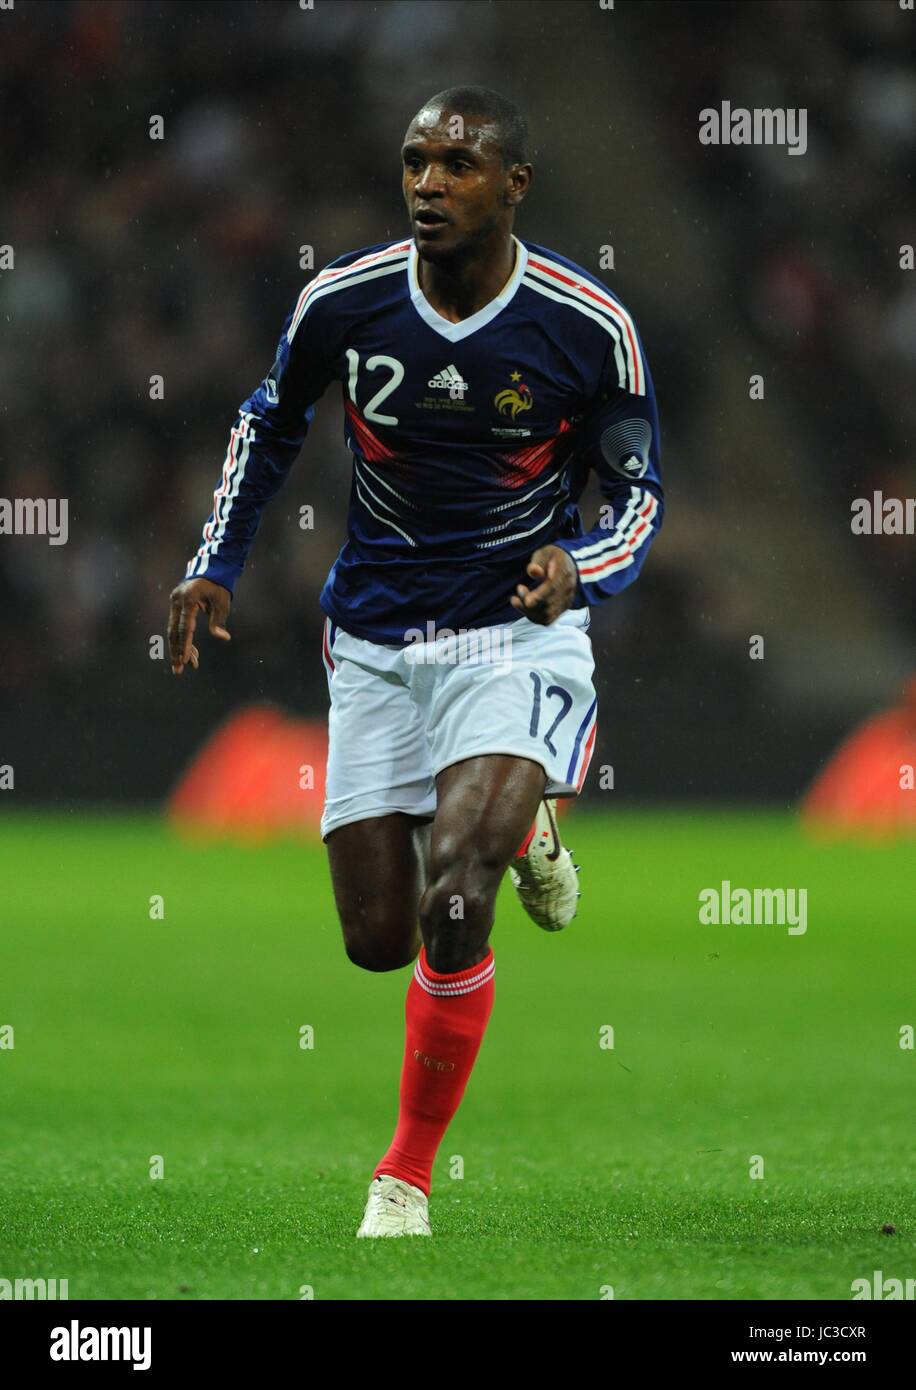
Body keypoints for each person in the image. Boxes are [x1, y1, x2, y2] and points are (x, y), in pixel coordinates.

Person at [168, 85, 663, 1237]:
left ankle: (403, 1177)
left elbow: (640, 495)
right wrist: (215, 562)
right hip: (378, 641)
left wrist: (581, 566)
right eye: (415, 163)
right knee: (376, 940)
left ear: (515, 185)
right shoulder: (344, 300)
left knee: (455, 902)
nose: (429, 184)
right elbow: (268, 420)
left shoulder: (587, 325)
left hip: (513, 630)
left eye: (457, 164)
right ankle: (527, 816)